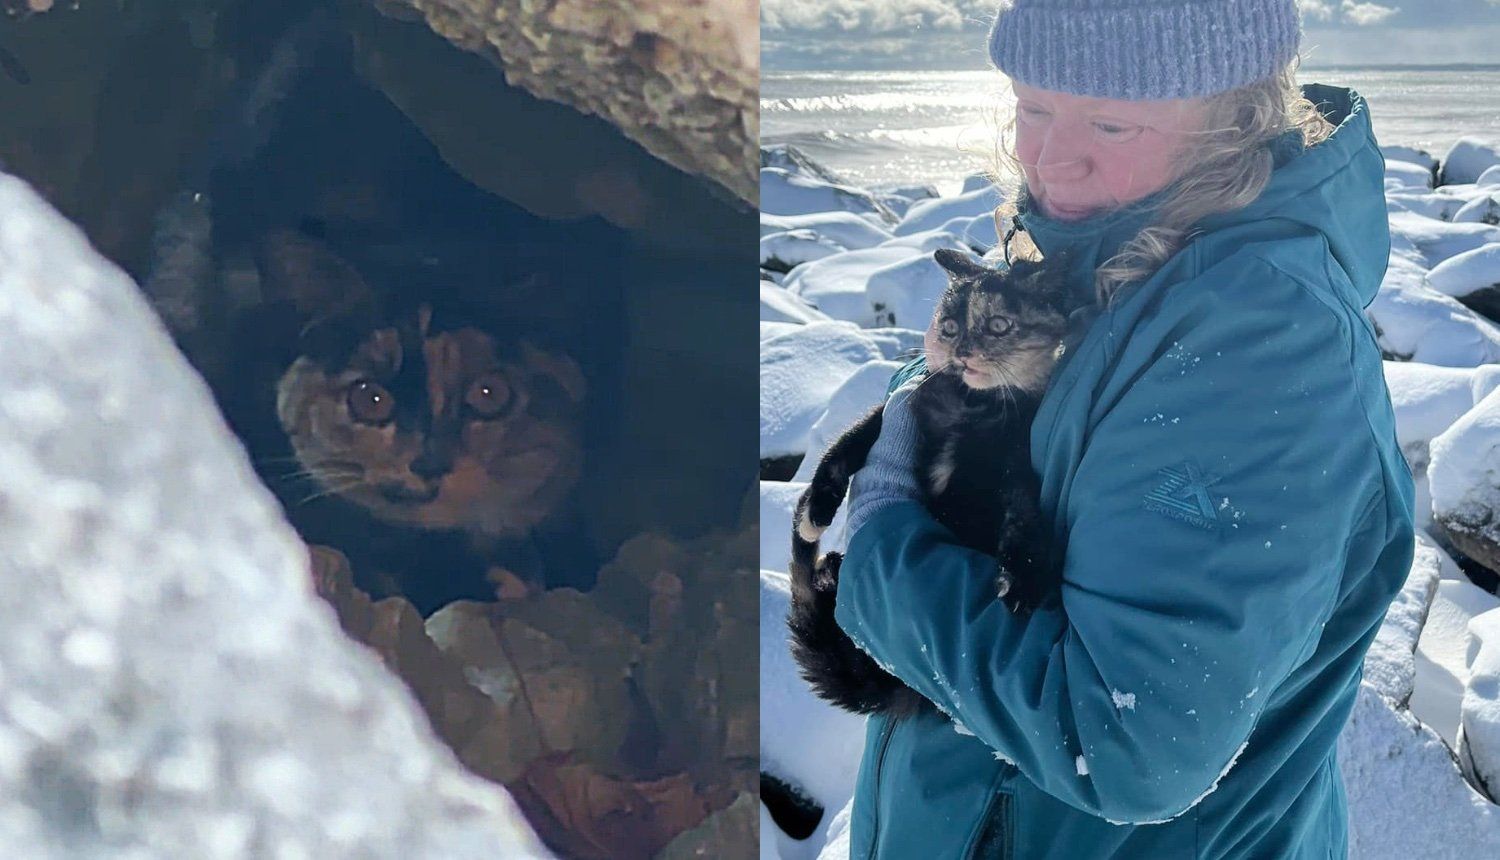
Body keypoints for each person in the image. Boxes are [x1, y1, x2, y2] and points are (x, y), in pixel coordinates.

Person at [830, 0, 1416, 857]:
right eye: (1032, 106)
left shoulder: (1257, 341)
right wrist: (942, 387)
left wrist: (882, 536)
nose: (1048, 158)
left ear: (1232, 117)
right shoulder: (1107, 246)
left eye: (1110, 120)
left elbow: (1123, 742)